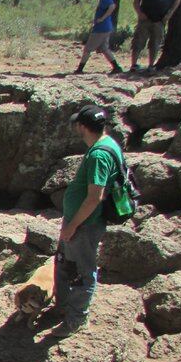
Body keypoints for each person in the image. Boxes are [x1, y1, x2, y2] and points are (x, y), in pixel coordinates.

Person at [51, 105, 121, 339]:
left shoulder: (99, 154)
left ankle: (75, 319)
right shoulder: (108, 144)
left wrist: (72, 226)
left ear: (82, 126)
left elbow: (94, 197)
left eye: (77, 124)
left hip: (84, 224)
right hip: (80, 222)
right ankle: (62, 307)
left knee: (82, 271)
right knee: (64, 264)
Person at [130, 0, 181, 72]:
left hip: (160, 20)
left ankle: (151, 66)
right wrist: (140, 13)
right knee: (138, 42)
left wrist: (170, 13)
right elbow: (136, 0)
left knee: (155, 43)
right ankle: (134, 65)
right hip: (145, 19)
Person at [75, 0, 123, 75]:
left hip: (101, 29)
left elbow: (112, 6)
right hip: (105, 28)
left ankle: (80, 69)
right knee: (104, 48)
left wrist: (102, 18)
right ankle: (116, 67)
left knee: (87, 49)